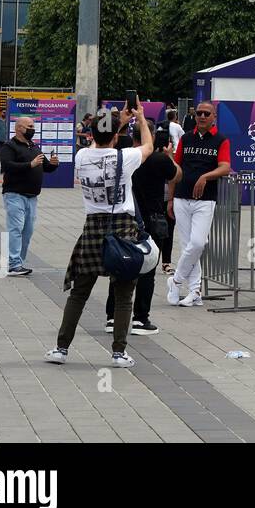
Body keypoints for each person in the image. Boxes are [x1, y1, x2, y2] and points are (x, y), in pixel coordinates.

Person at [45, 107, 155, 368]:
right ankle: (118, 353)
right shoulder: (125, 157)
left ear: (90, 133)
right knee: (123, 295)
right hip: (123, 229)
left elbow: (100, 141)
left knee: (79, 294)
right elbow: (149, 145)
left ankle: (61, 348)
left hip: (93, 228)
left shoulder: (81, 155)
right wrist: (139, 117)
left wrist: (114, 126)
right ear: (116, 137)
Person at [106, 121, 176, 334]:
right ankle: (140, 318)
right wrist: (170, 156)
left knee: (120, 266)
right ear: (151, 135)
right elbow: (176, 175)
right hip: (152, 221)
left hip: (125, 220)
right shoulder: (160, 159)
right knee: (147, 269)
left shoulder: (123, 157)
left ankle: (112, 317)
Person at [168, 101, 231, 308]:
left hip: (205, 200)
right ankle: (195, 290)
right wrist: (170, 198)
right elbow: (175, 169)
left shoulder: (221, 140)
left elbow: (225, 167)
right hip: (181, 198)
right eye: (199, 113)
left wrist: (205, 176)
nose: (202, 117)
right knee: (188, 246)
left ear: (214, 117)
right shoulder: (186, 138)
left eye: (206, 113)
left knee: (197, 243)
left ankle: (176, 280)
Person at [0, 116, 60, 276]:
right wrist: (30, 165)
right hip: (14, 194)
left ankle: (19, 262)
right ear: (19, 128)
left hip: (32, 196)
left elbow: (45, 166)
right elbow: (6, 166)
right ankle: (14, 264)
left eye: (33, 126)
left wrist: (53, 164)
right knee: (16, 229)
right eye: (29, 126)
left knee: (28, 231)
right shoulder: (9, 146)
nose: (32, 129)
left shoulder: (33, 146)